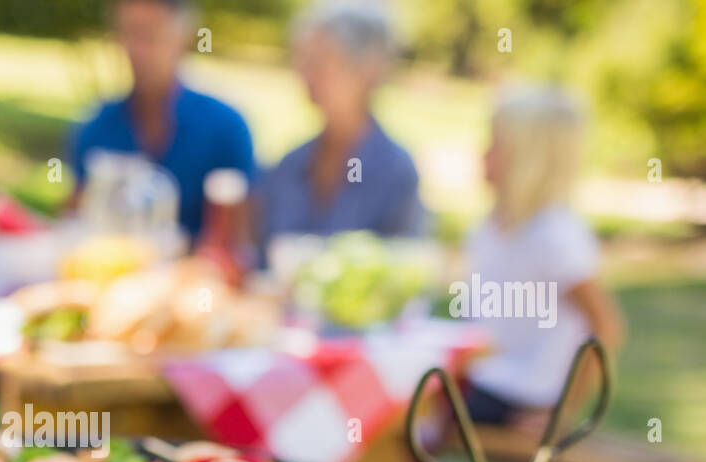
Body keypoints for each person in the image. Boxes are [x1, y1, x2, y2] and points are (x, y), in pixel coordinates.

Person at [461, 86, 625, 427]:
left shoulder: (555, 234)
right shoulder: (492, 226)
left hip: (519, 395)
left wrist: (560, 412)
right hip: (481, 378)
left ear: (527, 159)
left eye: (496, 145)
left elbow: (606, 326)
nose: (483, 154)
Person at [68, 0, 255, 239]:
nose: (136, 50)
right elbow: (75, 220)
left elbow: (242, 240)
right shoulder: (95, 128)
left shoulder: (227, 129)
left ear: (182, 37)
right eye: (127, 33)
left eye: (148, 35)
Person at [254, 1, 425, 249]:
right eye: (305, 61)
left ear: (368, 70)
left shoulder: (396, 172)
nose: (307, 75)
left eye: (321, 61)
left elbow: (406, 269)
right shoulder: (291, 164)